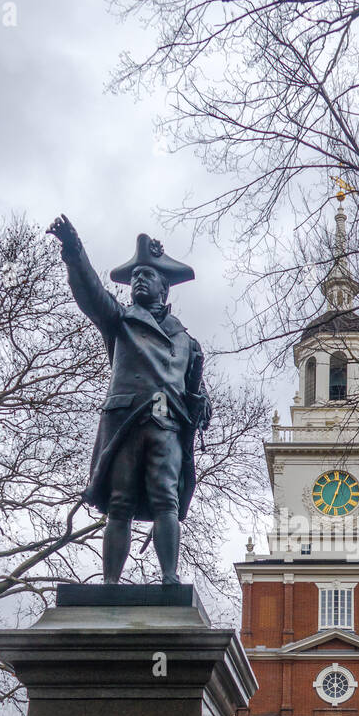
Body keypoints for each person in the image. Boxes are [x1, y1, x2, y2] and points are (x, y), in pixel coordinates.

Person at [47, 215, 211, 584]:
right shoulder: (119, 319)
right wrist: (73, 251)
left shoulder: (189, 342)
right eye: (135, 275)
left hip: (166, 425)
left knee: (166, 499)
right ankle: (110, 583)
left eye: (147, 275)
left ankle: (170, 578)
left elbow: (195, 394)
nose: (138, 279)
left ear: (164, 288)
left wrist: (202, 407)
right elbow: (89, 293)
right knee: (119, 503)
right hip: (125, 422)